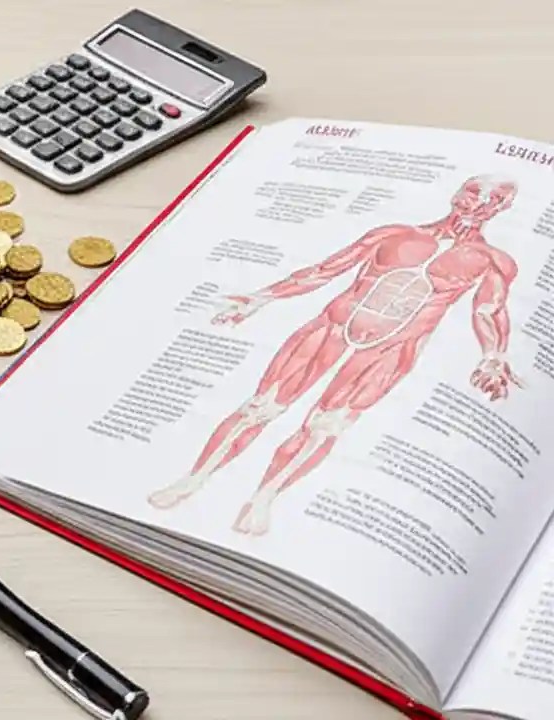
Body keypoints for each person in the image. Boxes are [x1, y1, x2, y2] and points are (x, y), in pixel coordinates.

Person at [147, 175, 523, 536]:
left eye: (496, 199)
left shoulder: (492, 260)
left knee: (324, 427)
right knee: (261, 407)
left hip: (390, 350)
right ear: (458, 192)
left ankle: (263, 498)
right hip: (329, 330)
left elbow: (488, 310)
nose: (482, 202)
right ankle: (191, 481)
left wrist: (494, 355)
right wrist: (260, 298)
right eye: (476, 191)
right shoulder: (393, 233)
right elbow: (325, 270)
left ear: (504, 208)